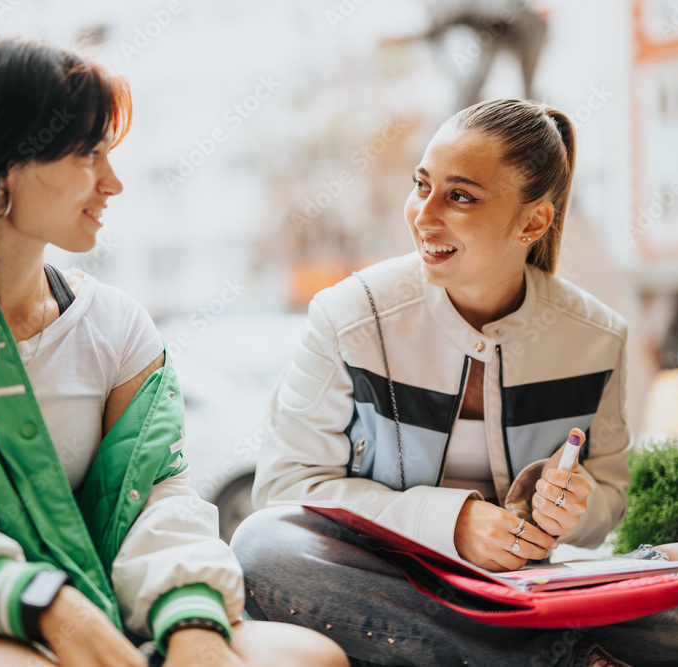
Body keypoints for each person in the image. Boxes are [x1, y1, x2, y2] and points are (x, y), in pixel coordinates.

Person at [0, 33, 347, 667]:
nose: (114, 183)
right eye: (88, 154)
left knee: (306, 656)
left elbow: (156, 501)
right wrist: (45, 604)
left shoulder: (115, 326)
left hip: (90, 613)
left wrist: (192, 623)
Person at [231, 98, 635, 664]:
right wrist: (451, 522)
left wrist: (576, 511)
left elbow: (611, 497)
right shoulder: (350, 317)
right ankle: (557, 657)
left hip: (524, 589)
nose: (424, 215)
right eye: (422, 185)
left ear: (533, 222)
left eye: (460, 196)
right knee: (262, 547)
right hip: (386, 580)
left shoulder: (598, 338)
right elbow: (282, 488)